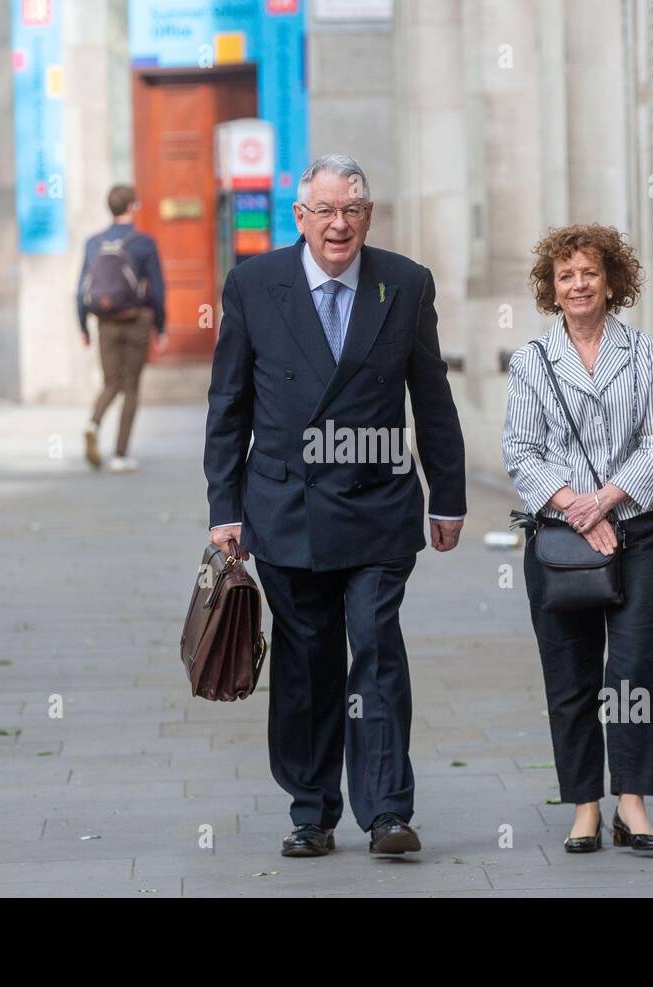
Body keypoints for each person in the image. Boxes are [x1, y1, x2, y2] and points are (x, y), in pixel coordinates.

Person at [203, 154, 466, 858]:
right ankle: (311, 811)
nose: (338, 224)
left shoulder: (404, 283)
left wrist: (448, 495)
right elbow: (228, 405)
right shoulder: (254, 284)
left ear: (368, 216)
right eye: (324, 211)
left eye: (351, 210)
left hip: (378, 506)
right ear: (301, 216)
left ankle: (387, 812)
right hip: (285, 507)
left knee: (376, 647)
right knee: (306, 659)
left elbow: (431, 396)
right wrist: (224, 507)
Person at [502, 224, 653, 854]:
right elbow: (520, 452)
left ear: (611, 282)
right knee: (570, 675)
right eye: (566, 275)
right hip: (561, 544)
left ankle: (631, 802)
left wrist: (605, 500)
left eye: (589, 273)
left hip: (641, 534)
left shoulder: (643, 352)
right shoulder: (532, 361)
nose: (578, 285)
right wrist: (578, 510)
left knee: (633, 669)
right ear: (552, 289)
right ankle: (583, 806)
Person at [77, 184, 166, 473]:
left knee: (111, 383)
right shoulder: (144, 242)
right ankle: (120, 455)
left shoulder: (93, 242)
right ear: (132, 207)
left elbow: (80, 290)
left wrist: (83, 327)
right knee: (130, 387)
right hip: (136, 320)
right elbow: (158, 289)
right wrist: (160, 326)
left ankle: (93, 423)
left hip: (105, 323)